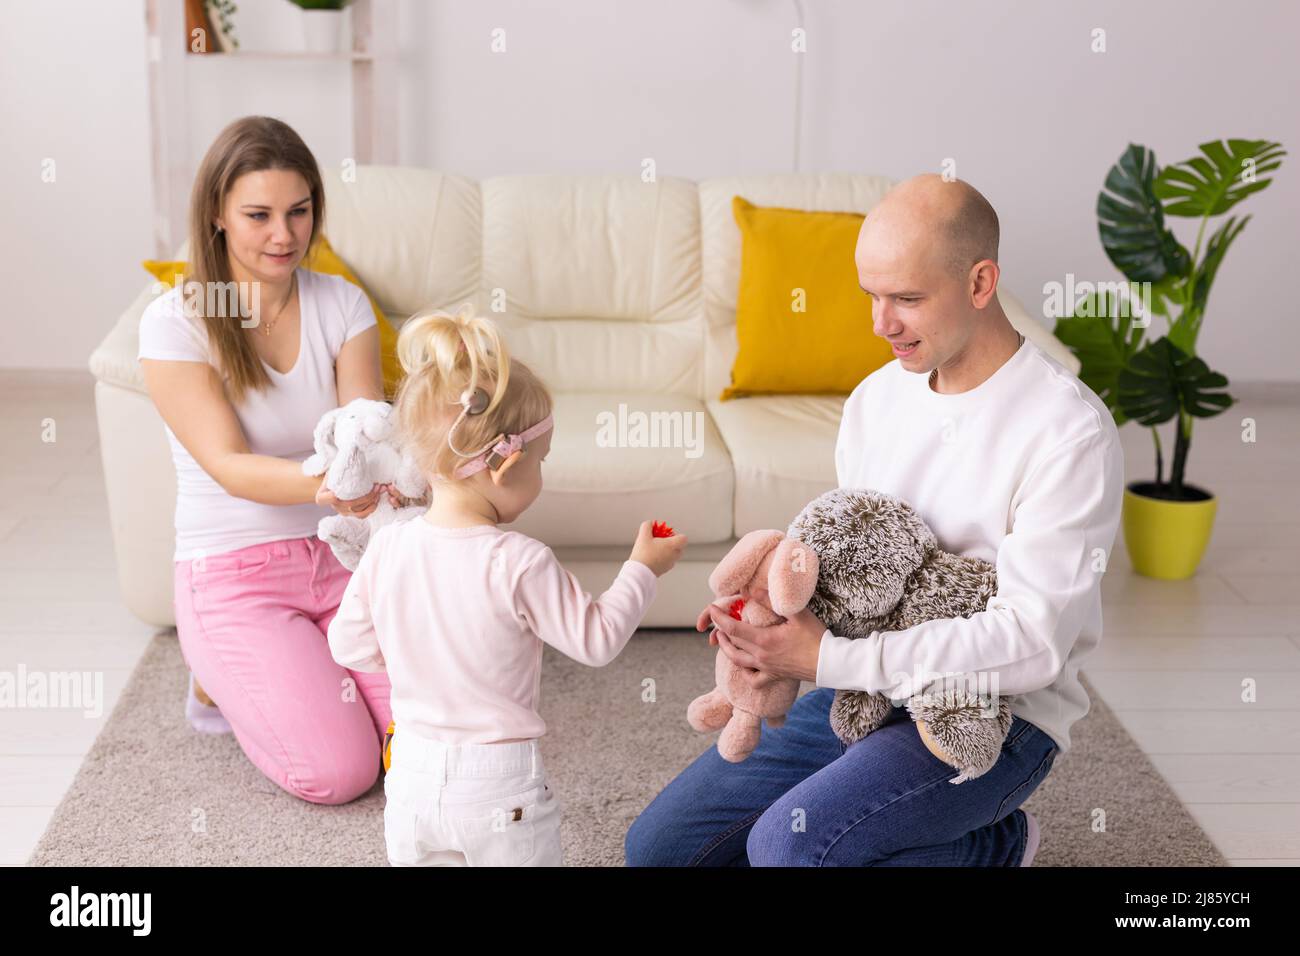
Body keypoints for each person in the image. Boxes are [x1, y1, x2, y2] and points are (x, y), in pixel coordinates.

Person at [625, 173, 1124, 866]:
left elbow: (1032, 644)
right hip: (863, 690)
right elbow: (851, 569)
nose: (880, 323)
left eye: (907, 300)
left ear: (981, 283)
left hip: (994, 713)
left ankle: (998, 847)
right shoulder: (876, 400)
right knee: (661, 852)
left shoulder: (1067, 431)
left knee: (788, 849)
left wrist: (828, 658)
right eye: (873, 297)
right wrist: (767, 624)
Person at [327, 305, 687, 866]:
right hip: (498, 783)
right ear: (504, 466)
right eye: (540, 460)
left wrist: (414, 654)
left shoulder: (389, 547)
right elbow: (596, 640)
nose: (541, 474)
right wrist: (642, 568)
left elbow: (347, 645)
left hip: (412, 774)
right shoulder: (520, 561)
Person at [138, 116, 403, 804]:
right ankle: (217, 678)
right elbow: (227, 465)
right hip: (234, 570)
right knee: (341, 773)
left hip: (342, 558)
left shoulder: (342, 304)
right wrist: (331, 490)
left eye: (298, 212)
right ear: (218, 216)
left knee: (427, 746)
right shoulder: (175, 320)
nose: (283, 235)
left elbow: (363, 430)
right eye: (258, 215)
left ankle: (287, 669)